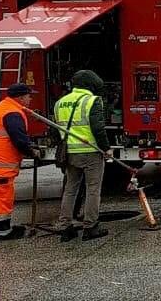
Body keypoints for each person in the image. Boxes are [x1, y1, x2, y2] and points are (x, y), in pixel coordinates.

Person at [55, 70, 111, 241]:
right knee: (93, 189)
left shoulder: (60, 103)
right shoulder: (92, 101)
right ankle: (90, 226)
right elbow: (98, 128)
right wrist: (106, 148)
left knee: (70, 189)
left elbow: (57, 129)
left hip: (69, 153)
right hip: (90, 152)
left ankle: (65, 227)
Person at [0, 83, 40, 241]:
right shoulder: (12, 113)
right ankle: (1, 233)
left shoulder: (4, 108)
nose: (30, 99)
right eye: (29, 96)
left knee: (0, 199)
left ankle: (4, 229)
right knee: (0, 200)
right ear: (21, 97)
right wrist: (32, 151)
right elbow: (19, 139)